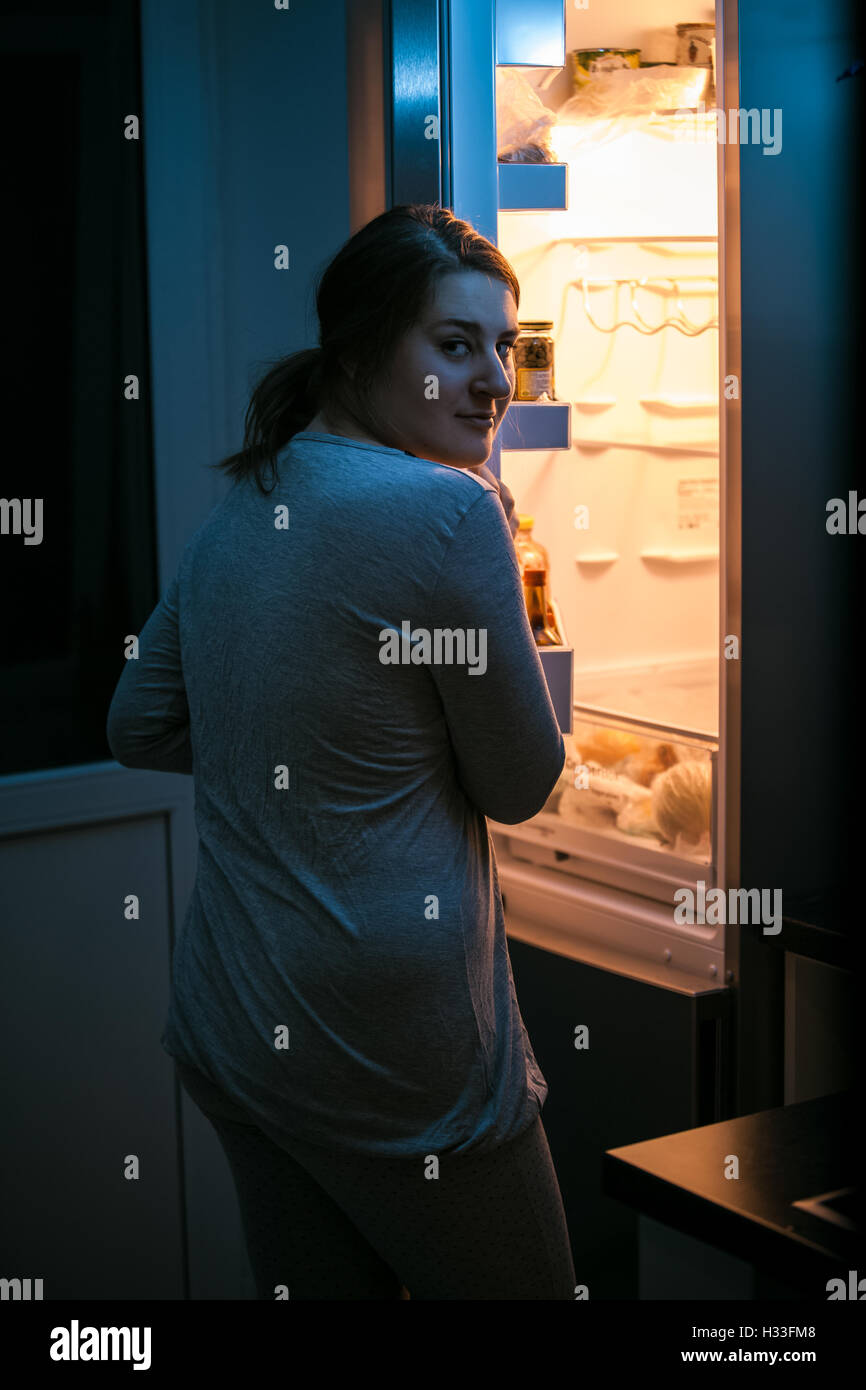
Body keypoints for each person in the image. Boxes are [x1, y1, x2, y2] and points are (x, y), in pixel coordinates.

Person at [106, 203, 575, 1300]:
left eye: (502, 348)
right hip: (393, 1051)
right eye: (453, 345)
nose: (493, 380)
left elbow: (139, 723)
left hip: (239, 1018)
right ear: (361, 351)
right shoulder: (453, 513)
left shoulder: (250, 499)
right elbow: (519, 784)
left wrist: (316, 758)